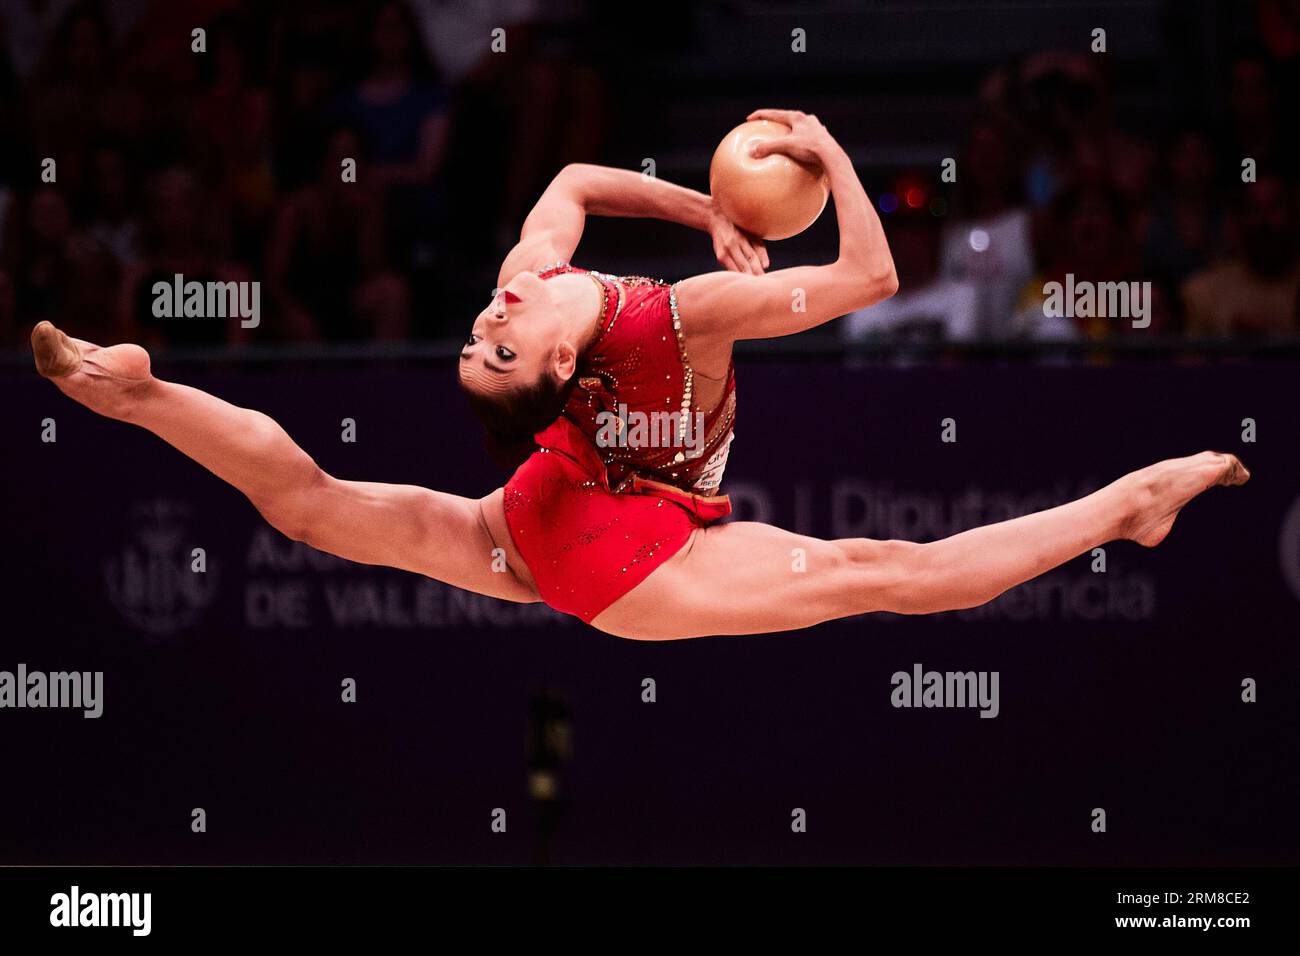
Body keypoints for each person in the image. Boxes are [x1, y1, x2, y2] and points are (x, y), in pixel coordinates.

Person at [30, 111, 1250, 641]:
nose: (491, 313)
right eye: (499, 344)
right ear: (561, 366)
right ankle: (1125, 505)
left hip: (555, 504)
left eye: (479, 333)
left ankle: (133, 389)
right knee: (889, 573)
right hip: (619, 549)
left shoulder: (534, 277)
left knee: (310, 502)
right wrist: (823, 147)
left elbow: (566, 179)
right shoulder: (685, 320)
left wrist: (702, 209)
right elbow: (871, 275)